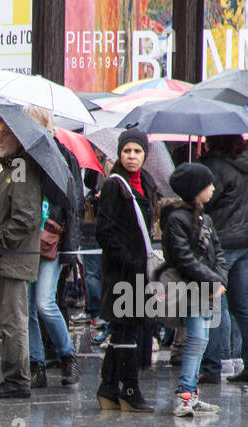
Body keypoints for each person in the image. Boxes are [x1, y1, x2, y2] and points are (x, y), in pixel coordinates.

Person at [0, 117, 44, 400]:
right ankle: (14, 377)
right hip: (6, 258)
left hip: (13, 259)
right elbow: (7, 208)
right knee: (9, 321)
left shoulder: (21, 167)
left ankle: (17, 380)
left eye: (4, 133)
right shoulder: (10, 167)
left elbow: (25, 217)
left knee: (13, 322)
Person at [94, 128, 155, 411]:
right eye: (127, 151)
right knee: (126, 330)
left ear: (145, 154)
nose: (132, 156)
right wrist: (128, 260)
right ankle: (129, 389)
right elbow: (104, 232)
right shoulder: (112, 185)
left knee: (125, 330)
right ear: (119, 153)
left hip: (140, 271)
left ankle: (108, 388)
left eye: (137, 151)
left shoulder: (148, 183)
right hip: (122, 271)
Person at [200, 134, 248, 384]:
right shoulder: (246, 163)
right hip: (244, 240)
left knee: (216, 303)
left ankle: (211, 366)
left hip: (222, 242)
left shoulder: (215, 166)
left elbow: (207, 199)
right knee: (243, 306)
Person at [161, 163, 226, 417]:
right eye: (208, 184)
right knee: (197, 338)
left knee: (202, 339)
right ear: (195, 188)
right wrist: (213, 281)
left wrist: (220, 281)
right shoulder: (177, 219)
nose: (212, 188)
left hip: (206, 290)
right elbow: (183, 258)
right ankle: (185, 393)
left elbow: (218, 253)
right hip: (188, 289)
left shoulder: (205, 219)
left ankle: (191, 393)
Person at [25, 105, 81, 389]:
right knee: (28, 307)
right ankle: (36, 365)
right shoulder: (22, 158)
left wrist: (71, 250)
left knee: (44, 303)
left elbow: (73, 205)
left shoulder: (62, 156)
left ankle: (67, 354)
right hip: (24, 240)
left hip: (52, 239)